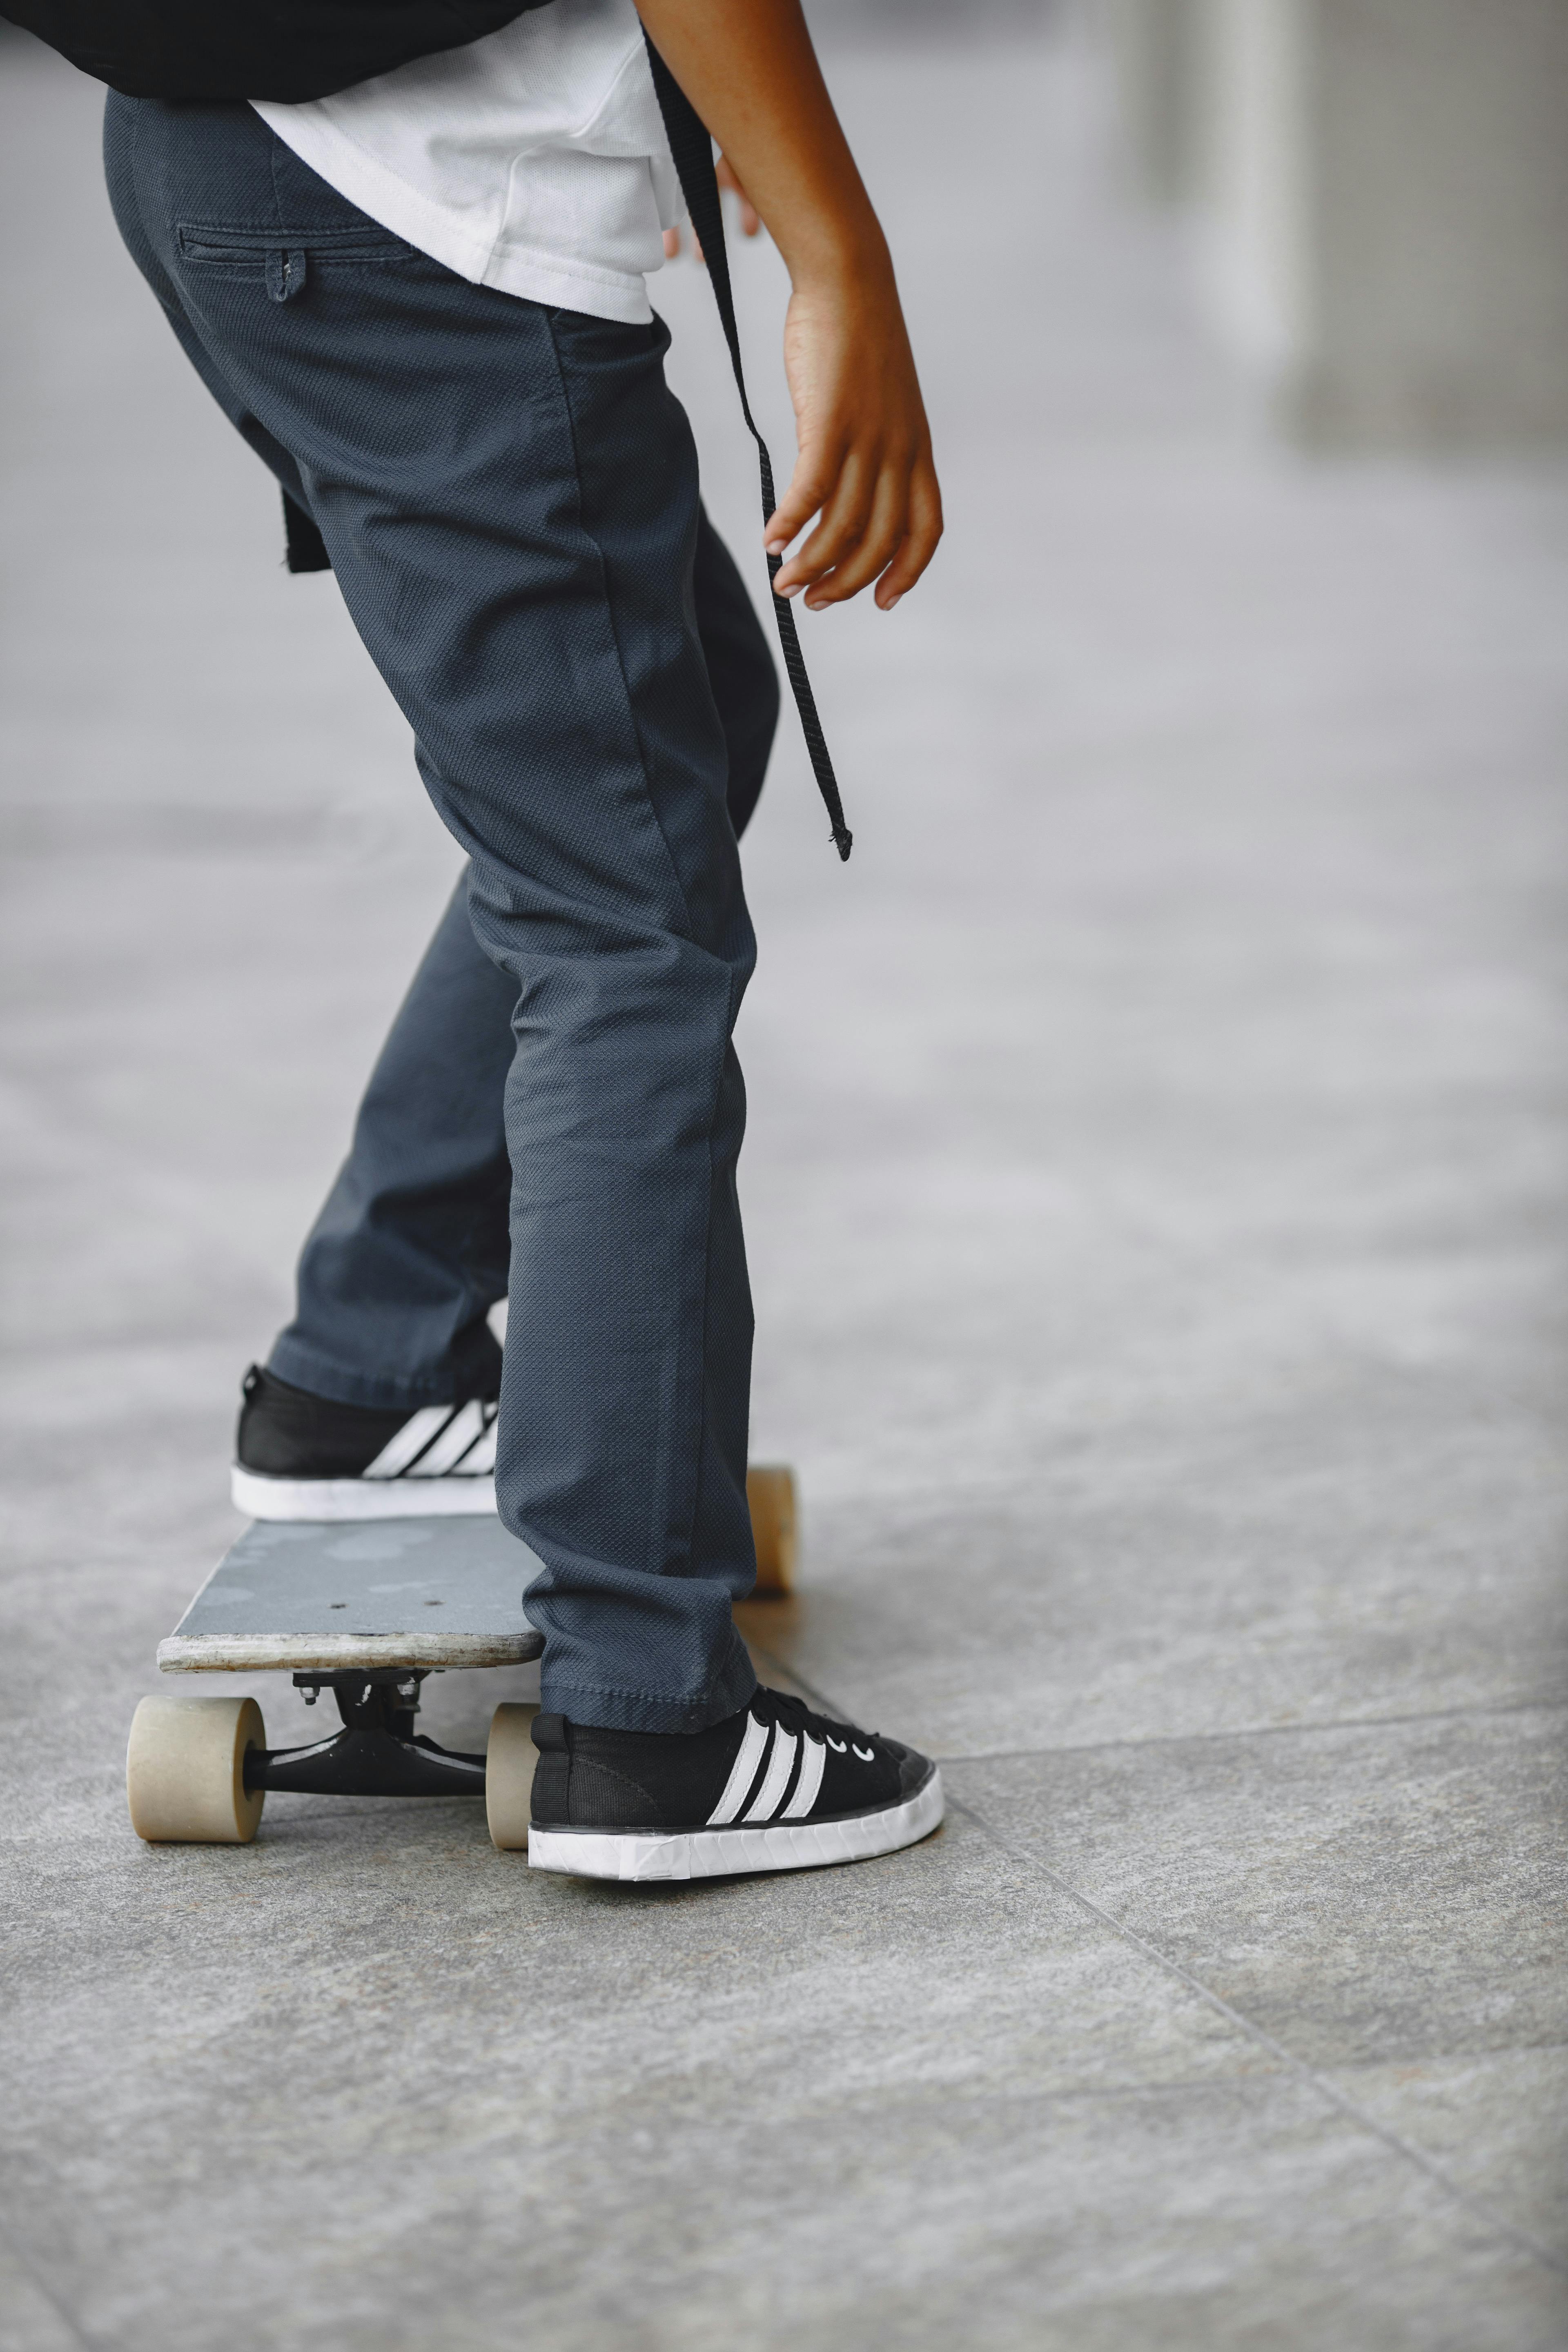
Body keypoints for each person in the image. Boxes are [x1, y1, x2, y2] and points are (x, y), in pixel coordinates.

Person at [102, 0, 945, 1880]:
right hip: (414, 219)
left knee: (676, 724)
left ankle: (373, 1361)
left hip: (240, 158)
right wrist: (840, 258)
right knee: (625, 934)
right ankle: (648, 1713)